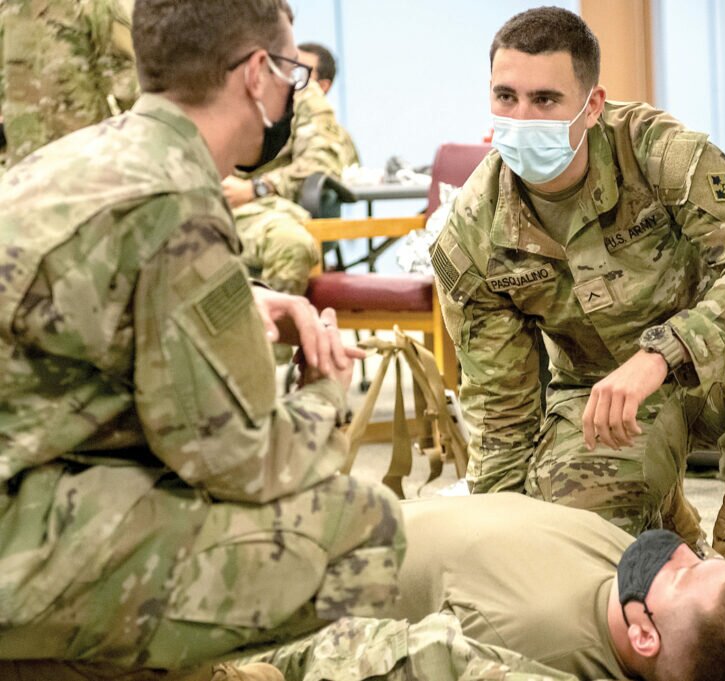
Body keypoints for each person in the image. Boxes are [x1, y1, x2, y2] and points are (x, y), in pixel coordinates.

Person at [0, 1, 404, 679]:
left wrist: (243, 303)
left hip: (30, 486)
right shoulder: (177, 197)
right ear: (257, 75)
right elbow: (239, 460)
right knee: (362, 523)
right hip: (21, 540)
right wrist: (326, 394)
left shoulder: (84, 157)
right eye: (291, 75)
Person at [430, 6, 725, 572]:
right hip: (597, 405)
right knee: (576, 555)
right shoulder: (475, 232)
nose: (523, 118)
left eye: (546, 100)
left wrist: (663, 353)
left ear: (592, 105)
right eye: (506, 97)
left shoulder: (656, 152)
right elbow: (500, 411)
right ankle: (663, 503)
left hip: (712, 375)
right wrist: (500, 539)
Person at [247, 494, 725, 681]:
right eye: (705, 557)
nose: (682, 551)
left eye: (682, 570)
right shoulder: (668, 592)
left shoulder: (529, 648)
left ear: (644, 632)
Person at [221, 43, 358, 296]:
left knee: (290, 243)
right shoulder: (220, 87)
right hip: (206, 204)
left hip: (264, 209)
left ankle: (274, 334)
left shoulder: (305, 97)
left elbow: (319, 163)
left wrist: (256, 188)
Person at [0, 0, 138, 168]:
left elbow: (128, 84)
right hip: (24, 171)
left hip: (85, 165)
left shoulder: (92, 6)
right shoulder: (8, 12)